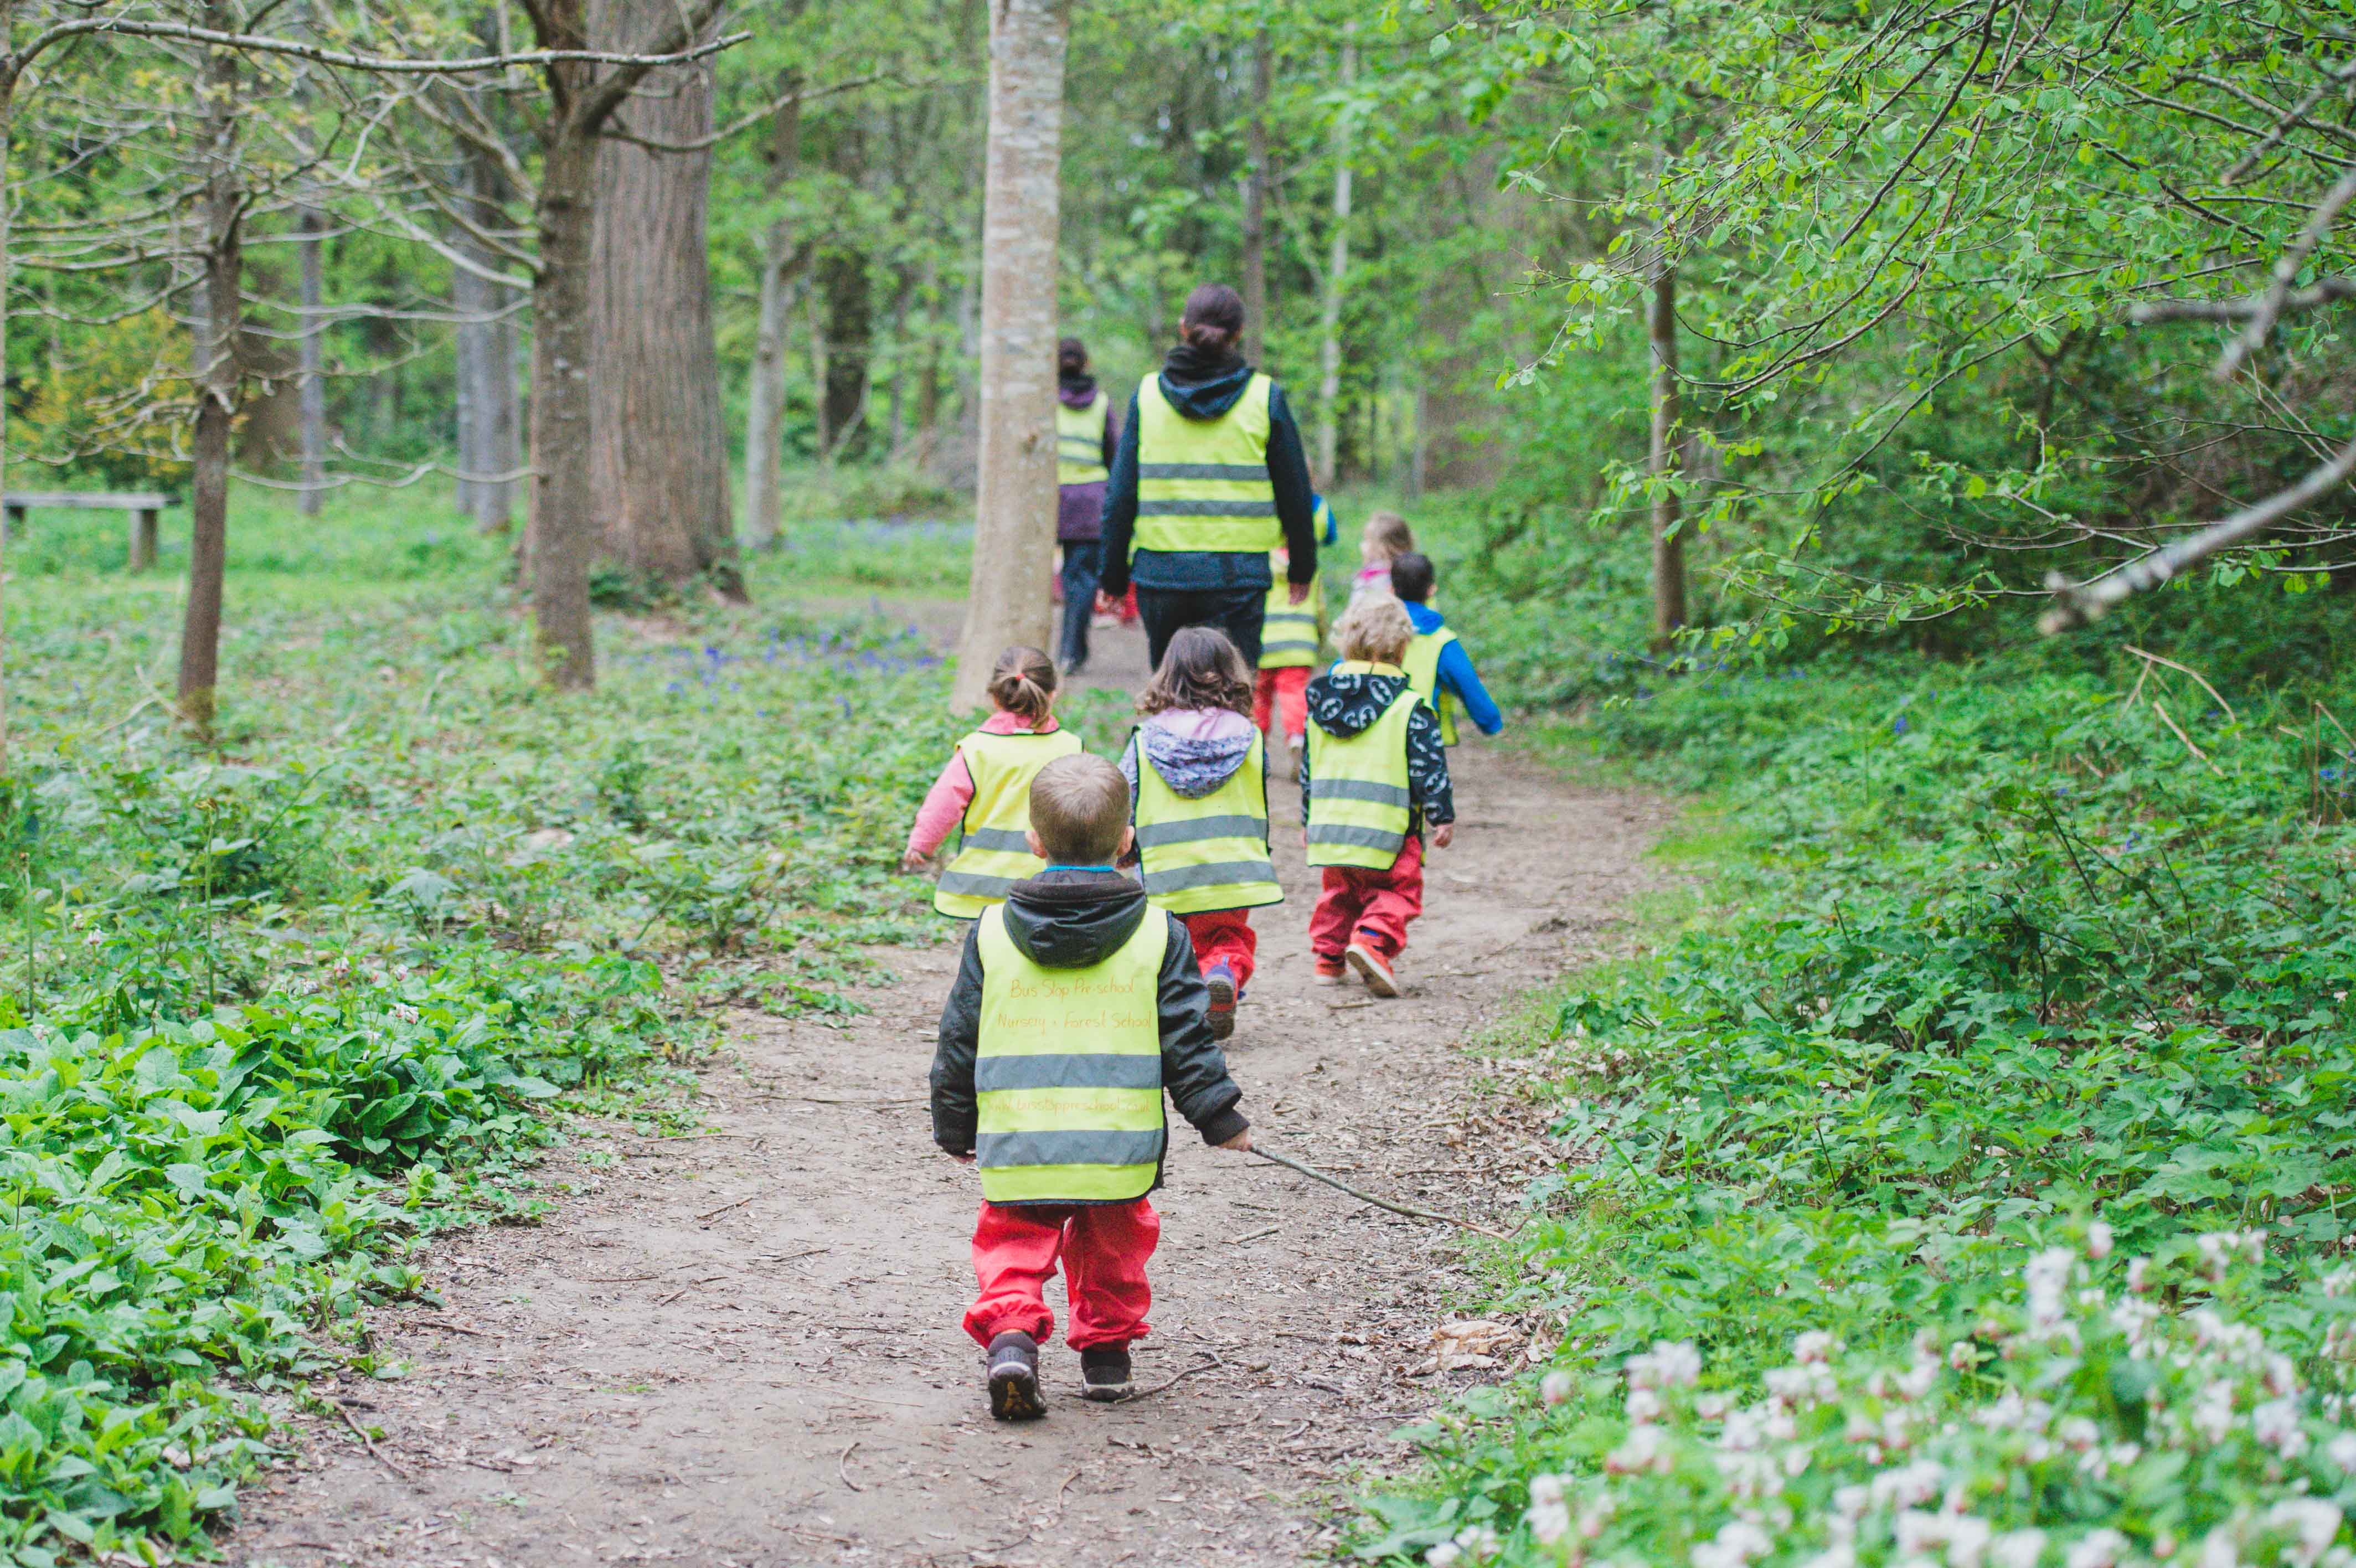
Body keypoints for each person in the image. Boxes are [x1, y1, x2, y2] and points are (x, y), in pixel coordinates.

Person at [930, 753, 1254, 1420]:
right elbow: (1185, 1039)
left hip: (1020, 1137)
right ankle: (1106, 1357)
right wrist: (1220, 1116)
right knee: (1114, 1247)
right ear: (1128, 839)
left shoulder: (991, 932)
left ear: (1034, 842)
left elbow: (959, 1037)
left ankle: (1013, 1337)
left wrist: (954, 1124)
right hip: (1116, 1144)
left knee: (1013, 1241)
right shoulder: (1158, 935)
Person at [1097, 283, 1321, 669]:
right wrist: (1302, 565)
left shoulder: (1148, 395)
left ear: (1184, 328)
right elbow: (1295, 491)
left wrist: (1113, 577)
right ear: (1238, 333)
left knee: (1169, 696)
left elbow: (1120, 496)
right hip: (1238, 578)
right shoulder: (1264, 397)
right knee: (1233, 698)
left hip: (1162, 575)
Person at [1117, 628, 1282, 1042]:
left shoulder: (1146, 739)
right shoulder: (1250, 738)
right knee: (1227, 937)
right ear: (1232, 675)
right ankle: (1221, 971)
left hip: (1165, 870)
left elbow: (1123, 794)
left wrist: (1121, 849)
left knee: (1170, 946)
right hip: (1232, 870)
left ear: (1167, 676)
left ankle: (1177, 1013)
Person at [1299, 597, 1453, 998]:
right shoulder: (1408, 707)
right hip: (1389, 829)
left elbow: (1309, 768)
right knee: (1397, 891)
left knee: (1340, 892)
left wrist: (1307, 820)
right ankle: (1371, 940)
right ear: (1402, 649)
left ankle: (1328, 960)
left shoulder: (1319, 707)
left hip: (1332, 824)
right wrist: (1441, 814)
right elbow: (1427, 768)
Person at [902, 647, 1084, 918]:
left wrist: (922, 843)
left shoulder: (977, 749)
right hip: (1048, 886)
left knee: (985, 952)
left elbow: (945, 801)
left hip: (981, 888)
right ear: (1053, 694)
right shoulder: (1071, 747)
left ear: (995, 698)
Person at [1054, 338, 1118, 676]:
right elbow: (1114, 456)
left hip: (1051, 503)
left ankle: (1057, 651)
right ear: (1087, 363)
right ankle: (1071, 651)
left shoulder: (1043, 401)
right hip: (1090, 506)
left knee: (1060, 578)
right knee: (1081, 582)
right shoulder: (1102, 403)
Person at [1391, 553, 1503, 746]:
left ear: (1391, 589)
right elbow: (1468, 684)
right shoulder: (1441, 640)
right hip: (1421, 740)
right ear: (1431, 590)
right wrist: (1490, 722)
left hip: (1376, 730)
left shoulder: (1373, 631)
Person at [1254, 535, 1324, 757]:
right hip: (1300, 644)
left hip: (1264, 641)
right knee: (1294, 692)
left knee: (1260, 695)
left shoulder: (1262, 564)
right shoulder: (1309, 567)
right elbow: (1320, 609)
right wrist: (1319, 636)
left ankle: (1257, 740)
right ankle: (1296, 736)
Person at [1349, 510, 1416, 605]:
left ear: (1382, 549)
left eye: (1367, 540)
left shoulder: (1376, 580)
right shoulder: (1413, 572)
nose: (1362, 546)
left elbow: (1356, 609)